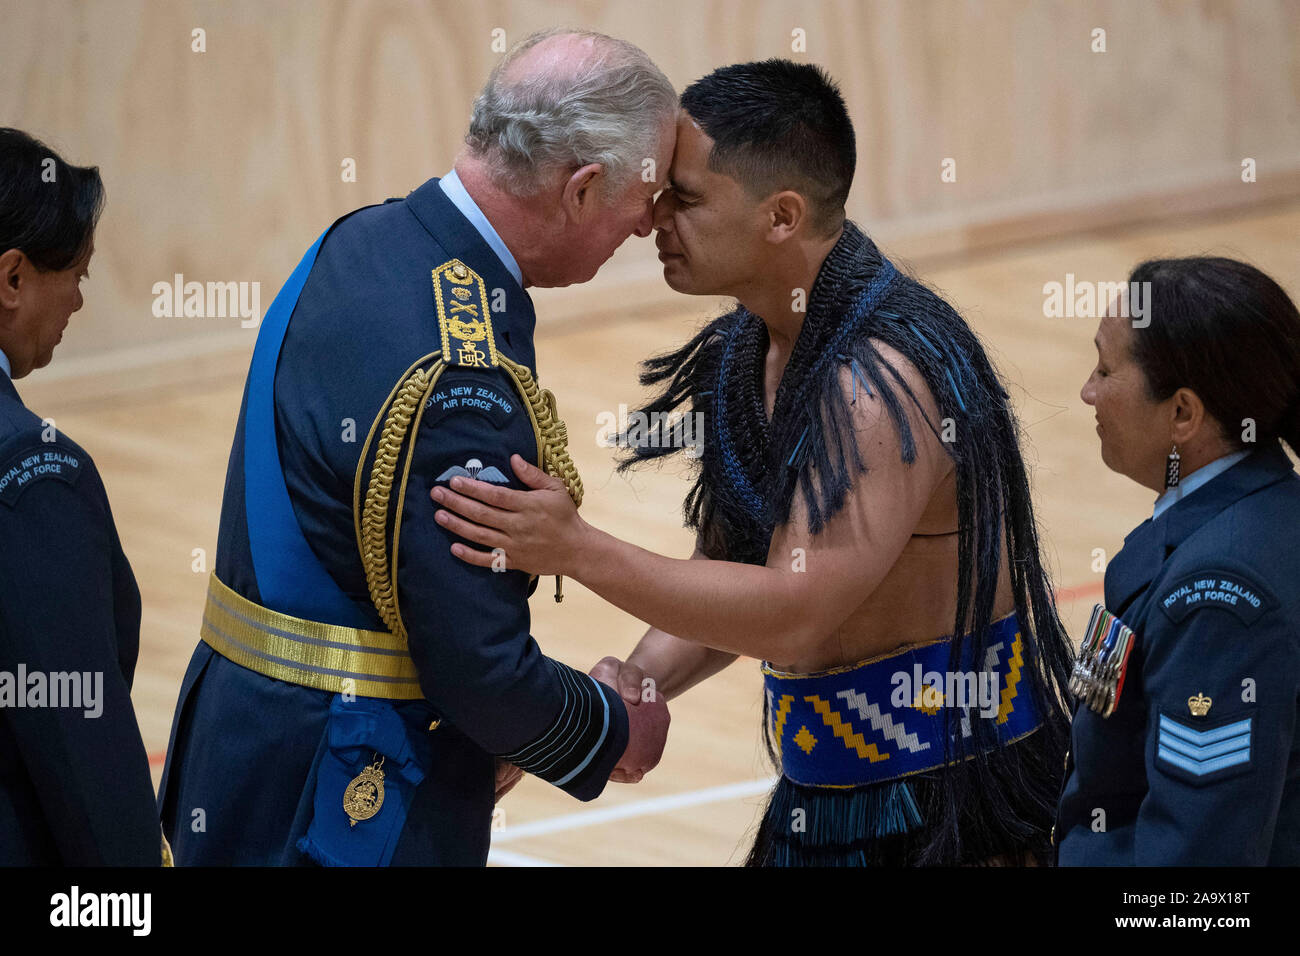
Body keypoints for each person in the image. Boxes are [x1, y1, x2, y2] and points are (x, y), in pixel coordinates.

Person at [431, 60, 1076, 865]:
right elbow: (733, 569)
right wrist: (628, 690)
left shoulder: (881, 381)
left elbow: (796, 609)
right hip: (826, 790)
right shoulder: (745, 348)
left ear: (781, 216)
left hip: (954, 807)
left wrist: (579, 550)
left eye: (686, 198)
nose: (654, 217)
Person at [158, 29, 675, 866]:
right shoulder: (459, 373)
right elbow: (478, 670)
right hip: (346, 788)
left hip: (240, 738)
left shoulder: (362, 240)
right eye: (642, 202)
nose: (649, 226)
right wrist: (615, 726)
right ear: (581, 190)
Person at [1056, 257, 1300, 864]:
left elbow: (1197, 872)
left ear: (1184, 414)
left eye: (1106, 369)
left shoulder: (1219, 595)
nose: (1087, 391)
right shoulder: (1254, 509)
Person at [0, 128, 160, 865]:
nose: (78, 301)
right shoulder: (33, 476)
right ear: (12, 279)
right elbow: (79, 743)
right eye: (78, 275)